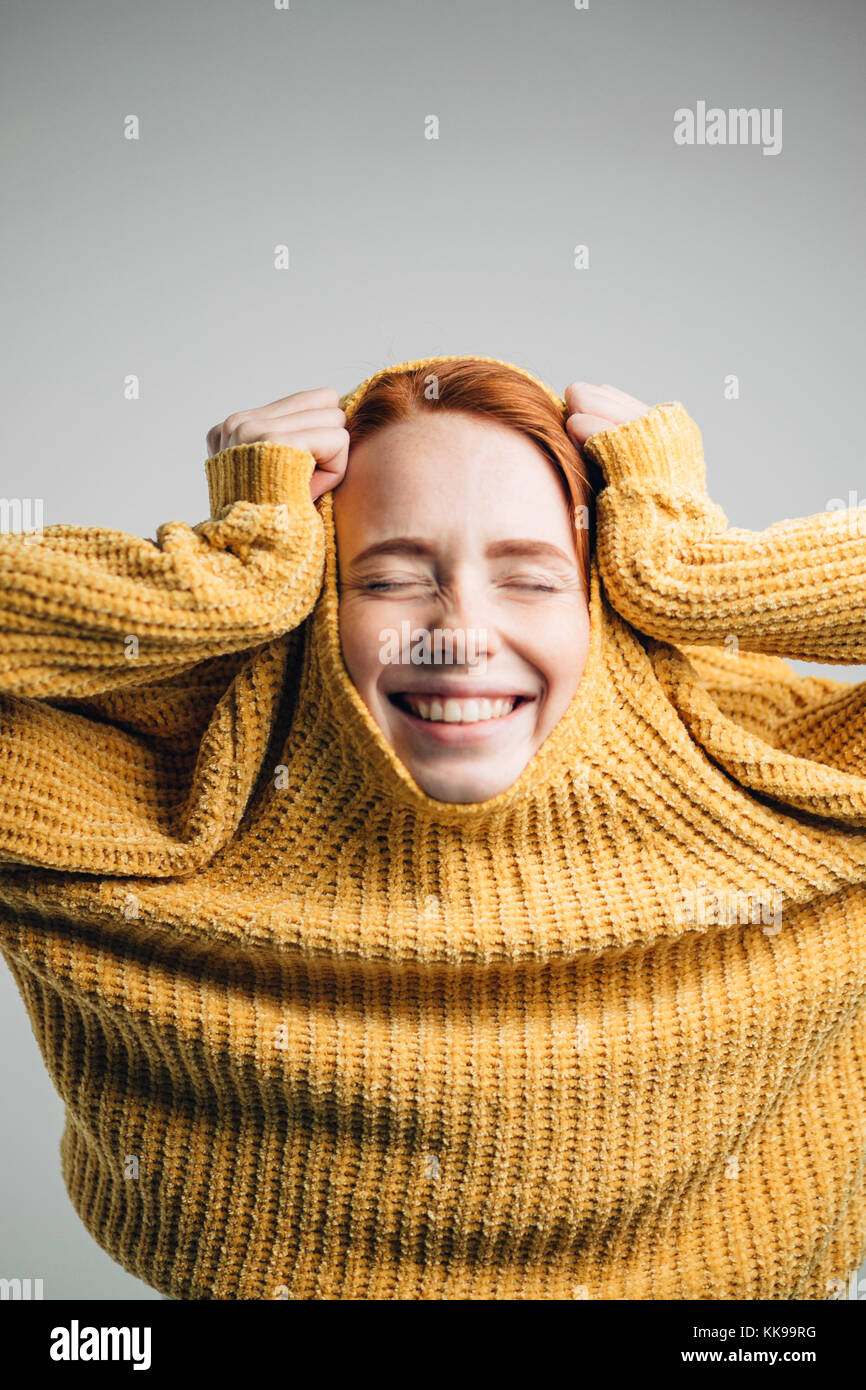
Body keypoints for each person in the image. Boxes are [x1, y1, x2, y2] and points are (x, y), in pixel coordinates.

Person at [1, 354, 864, 1301]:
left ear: (603, 603)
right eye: (388, 580)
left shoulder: (770, 790)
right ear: (312, 605)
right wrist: (228, 570)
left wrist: (695, 567)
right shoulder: (149, 821)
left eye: (531, 580)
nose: (461, 634)